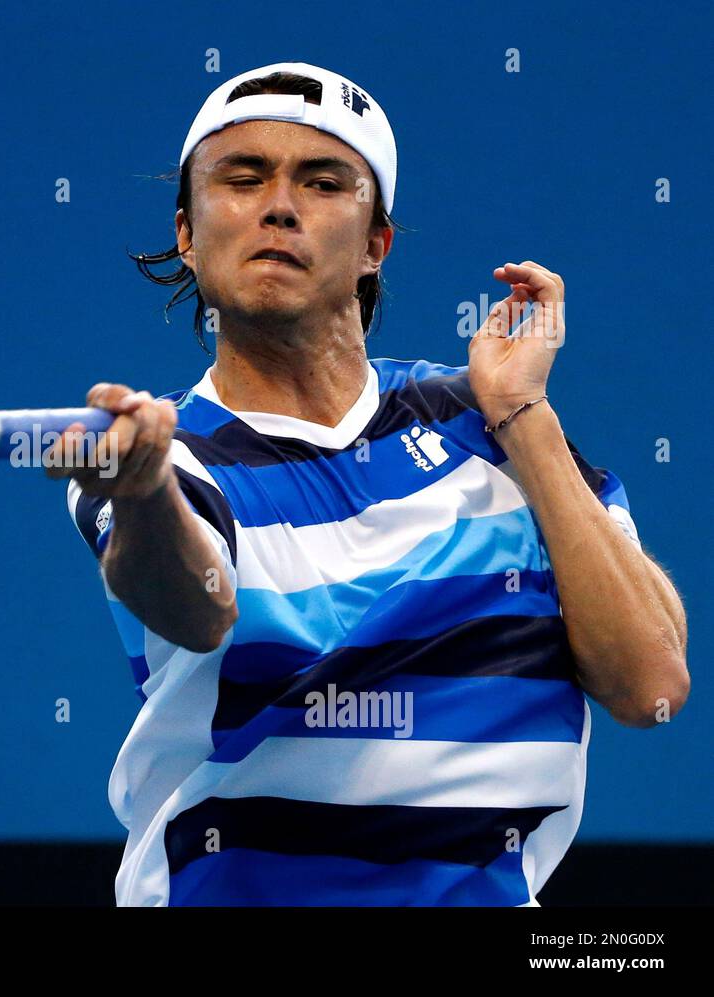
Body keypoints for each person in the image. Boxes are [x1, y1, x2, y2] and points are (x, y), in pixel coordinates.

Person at [46, 62, 689, 907]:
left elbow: (650, 688)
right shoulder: (165, 457)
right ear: (188, 235)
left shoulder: (488, 423)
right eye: (242, 179)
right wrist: (139, 491)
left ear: (375, 245)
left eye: (322, 183)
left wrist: (524, 415)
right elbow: (194, 609)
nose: (280, 205)